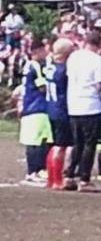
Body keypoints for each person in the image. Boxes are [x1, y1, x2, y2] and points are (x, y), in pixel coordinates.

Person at [65, 31, 101, 191]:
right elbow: (99, 85)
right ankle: (84, 178)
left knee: (78, 143)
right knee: (90, 144)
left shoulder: (73, 57)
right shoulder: (98, 60)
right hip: (90, 105)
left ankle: (69, 175)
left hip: (74, 104)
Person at [17, 38, 51, 185]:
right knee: (35, 142)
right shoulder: (35, 66)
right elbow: (42, 87)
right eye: (43, 50)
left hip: (33, 106)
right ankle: (32, 172)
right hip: (35, 106)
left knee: (41, 140)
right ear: (37, 51)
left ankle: (38, 170)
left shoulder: (29, 65)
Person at [43, 39, 73, 190]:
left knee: (56, 144)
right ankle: (57, 179)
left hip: (52, 108)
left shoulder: (50, 67)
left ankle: (51, 178)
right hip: (62, 110)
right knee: (61, 146)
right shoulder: (63, 70)